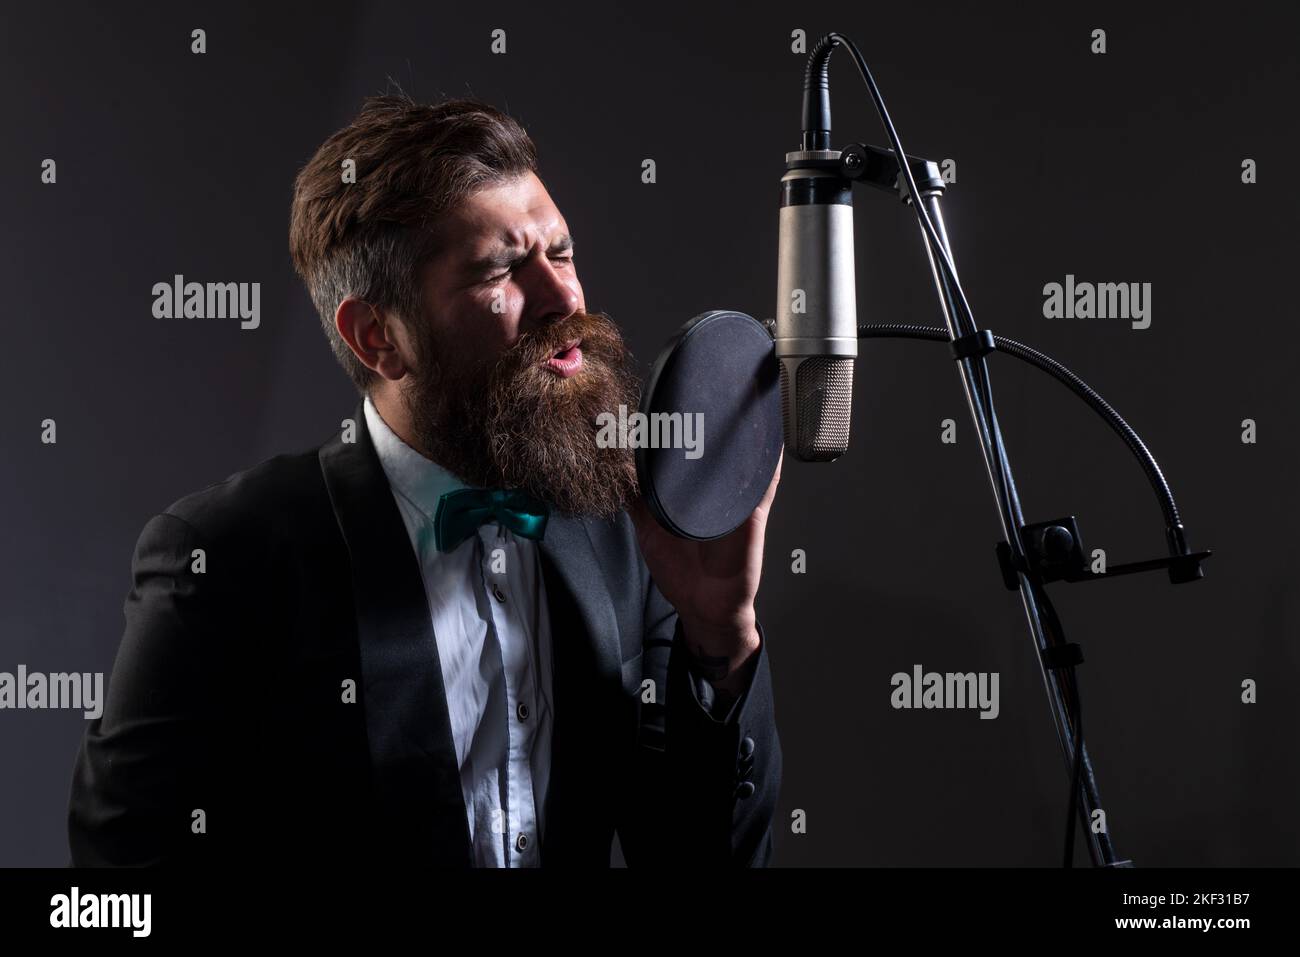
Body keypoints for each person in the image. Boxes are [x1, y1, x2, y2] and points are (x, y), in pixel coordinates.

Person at [67, 93, 782, 867]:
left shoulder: (619, 528)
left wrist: (722, 634)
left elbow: (707, 859)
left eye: (562, 252)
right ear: (378, 336)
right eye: (504, 268)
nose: (563, 298)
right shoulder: (222, 560)